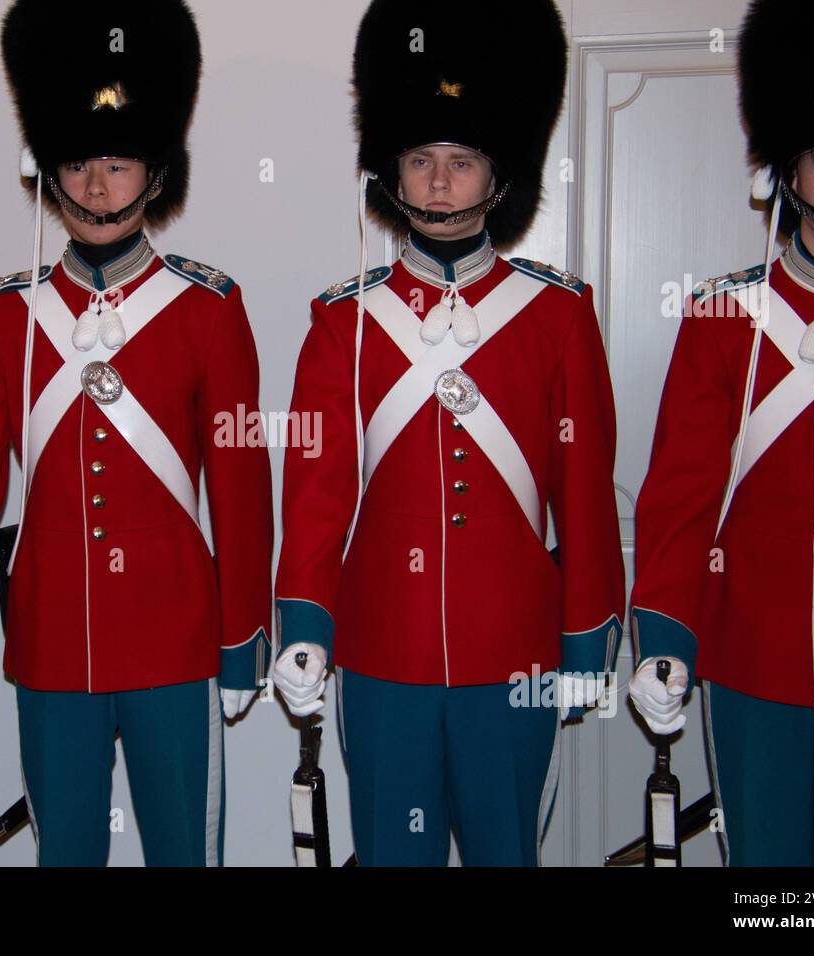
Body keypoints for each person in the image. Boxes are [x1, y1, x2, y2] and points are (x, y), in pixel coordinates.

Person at [0, 0, 274, 867]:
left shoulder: (210, 308)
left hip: (175, 640)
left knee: (182, 855)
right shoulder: (5, 314)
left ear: (156, 175)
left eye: (119, 164)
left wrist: (241, 636)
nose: (96, 186)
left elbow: (240, 488)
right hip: (51, 642)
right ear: (48, 172)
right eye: (78, 163)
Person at [272, 0, 625, 866]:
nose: (438, 182)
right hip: (381, 655)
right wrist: (306, 625)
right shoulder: (341, 323)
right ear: (390, 174)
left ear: (497, 178)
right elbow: (317, 499)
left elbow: (584, 490)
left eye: (461, 161)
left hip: (516, 657)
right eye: (421, 159)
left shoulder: (559, 314)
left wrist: (586, 638)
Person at [628, 0, 814, 865]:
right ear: (788, 172)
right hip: (754, 665)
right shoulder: (724, 316)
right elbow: (681, 496)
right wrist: (668, 637)